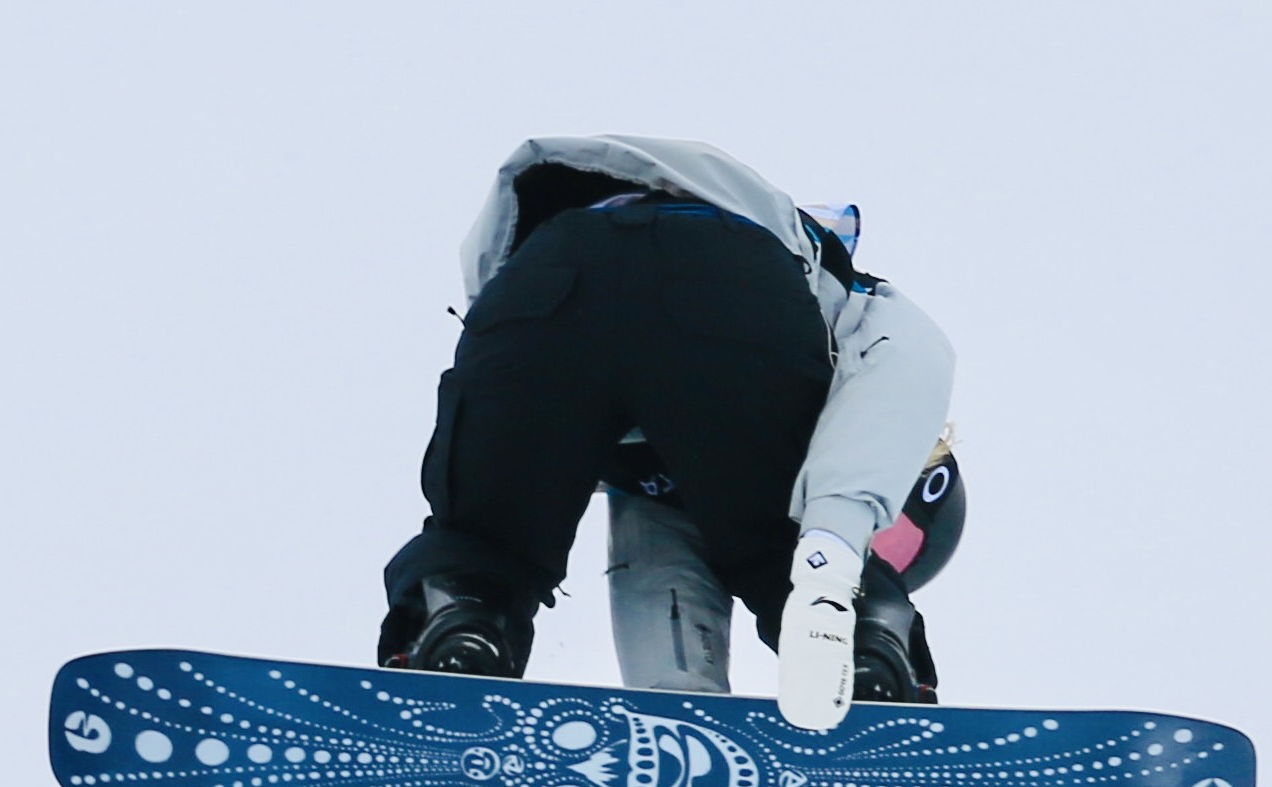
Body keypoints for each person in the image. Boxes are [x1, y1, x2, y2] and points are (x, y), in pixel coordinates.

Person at [380, 139, 961, 727]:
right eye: (886, 533)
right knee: (775, 546)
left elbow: (663, 568)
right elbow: (901, 380)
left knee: (487, 547)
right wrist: (831, 566)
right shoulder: (852, 300)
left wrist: (680, 707)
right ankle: (869, 661)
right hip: (730, 287)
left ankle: (457, 633)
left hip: (540, 288)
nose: (875, 541)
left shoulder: (668, 461)